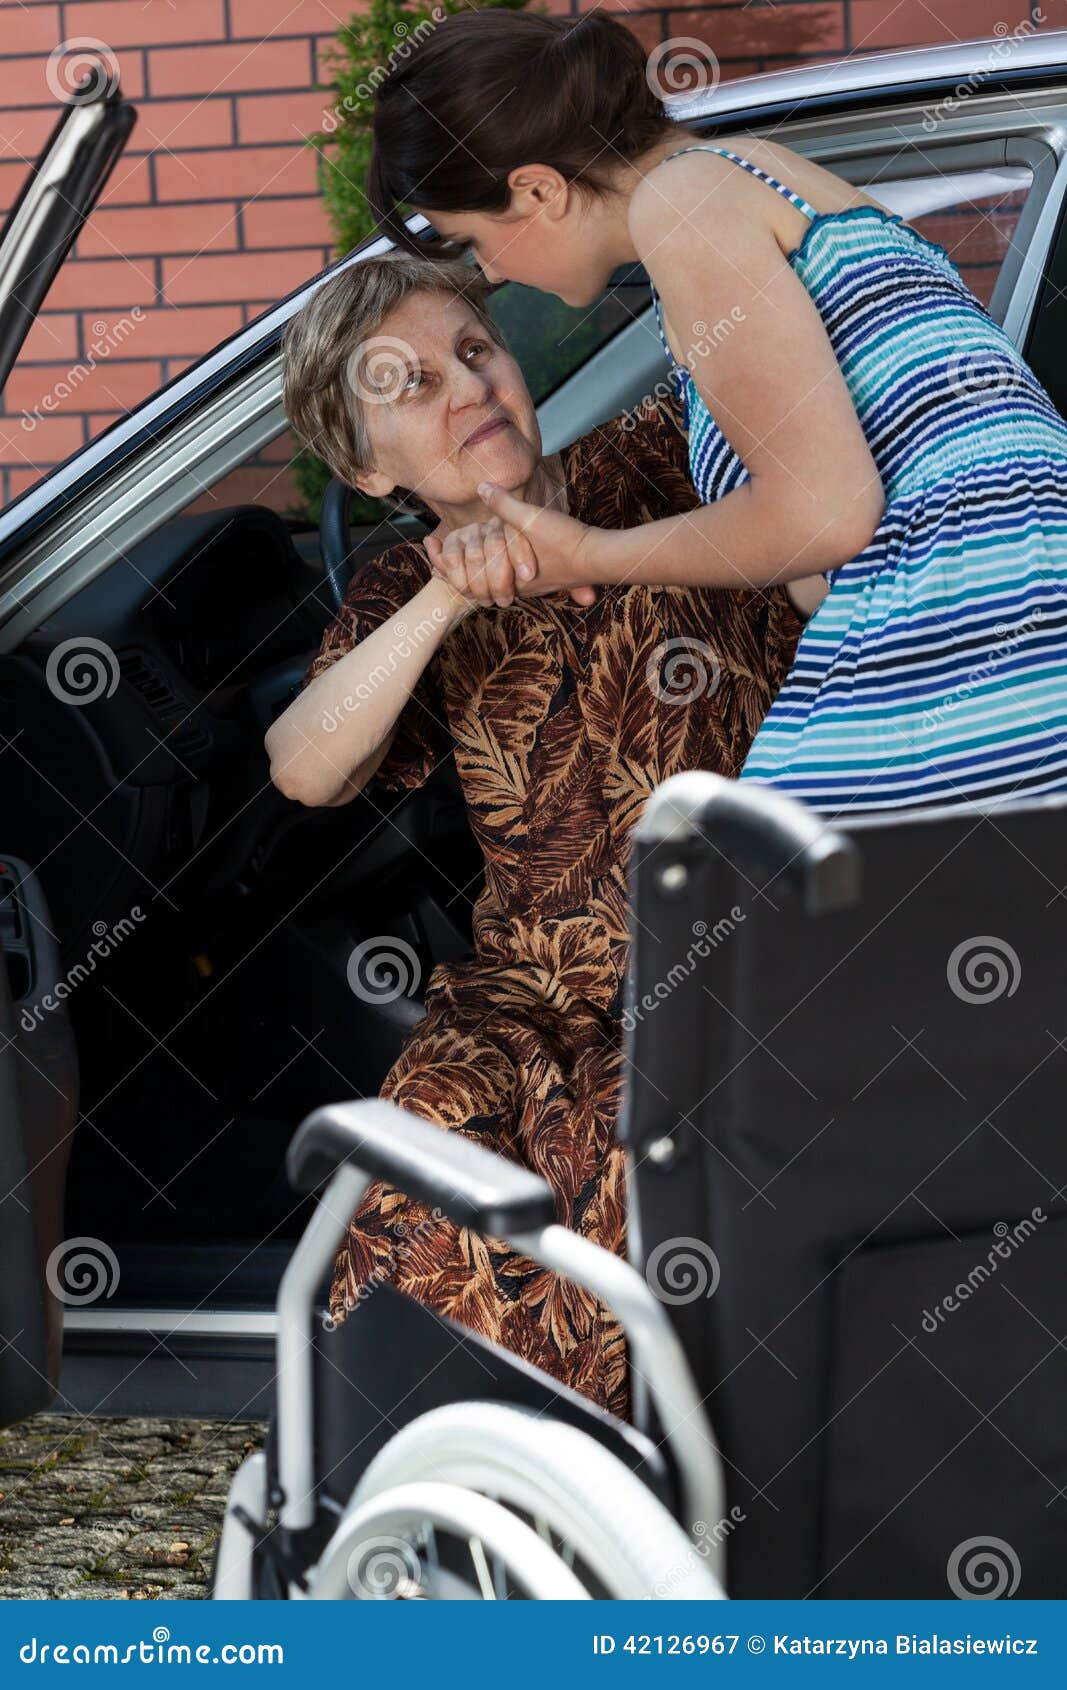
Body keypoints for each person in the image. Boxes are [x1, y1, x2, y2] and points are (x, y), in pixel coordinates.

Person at [268, 250, 803, 1418]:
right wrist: (450, 593)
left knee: (610, 1236)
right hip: (522, 998)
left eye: (475, 350)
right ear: (365, 467)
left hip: (743, 970)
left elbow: (814, 492)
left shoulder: (660, 453)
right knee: (388, 1236)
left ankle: (596, 1541)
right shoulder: (396, 588)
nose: (467, 387)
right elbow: (306, 767)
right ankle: (409, 1526)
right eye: (408, 383)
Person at [368, 10, 1067, 815]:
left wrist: (588, 554)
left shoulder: (683, 204)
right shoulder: (744, 173)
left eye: (471, 239)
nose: (487, 270)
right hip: (998, 600)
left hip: (978, 618)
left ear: (537, 189)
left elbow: (822, 516)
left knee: (766, 909)